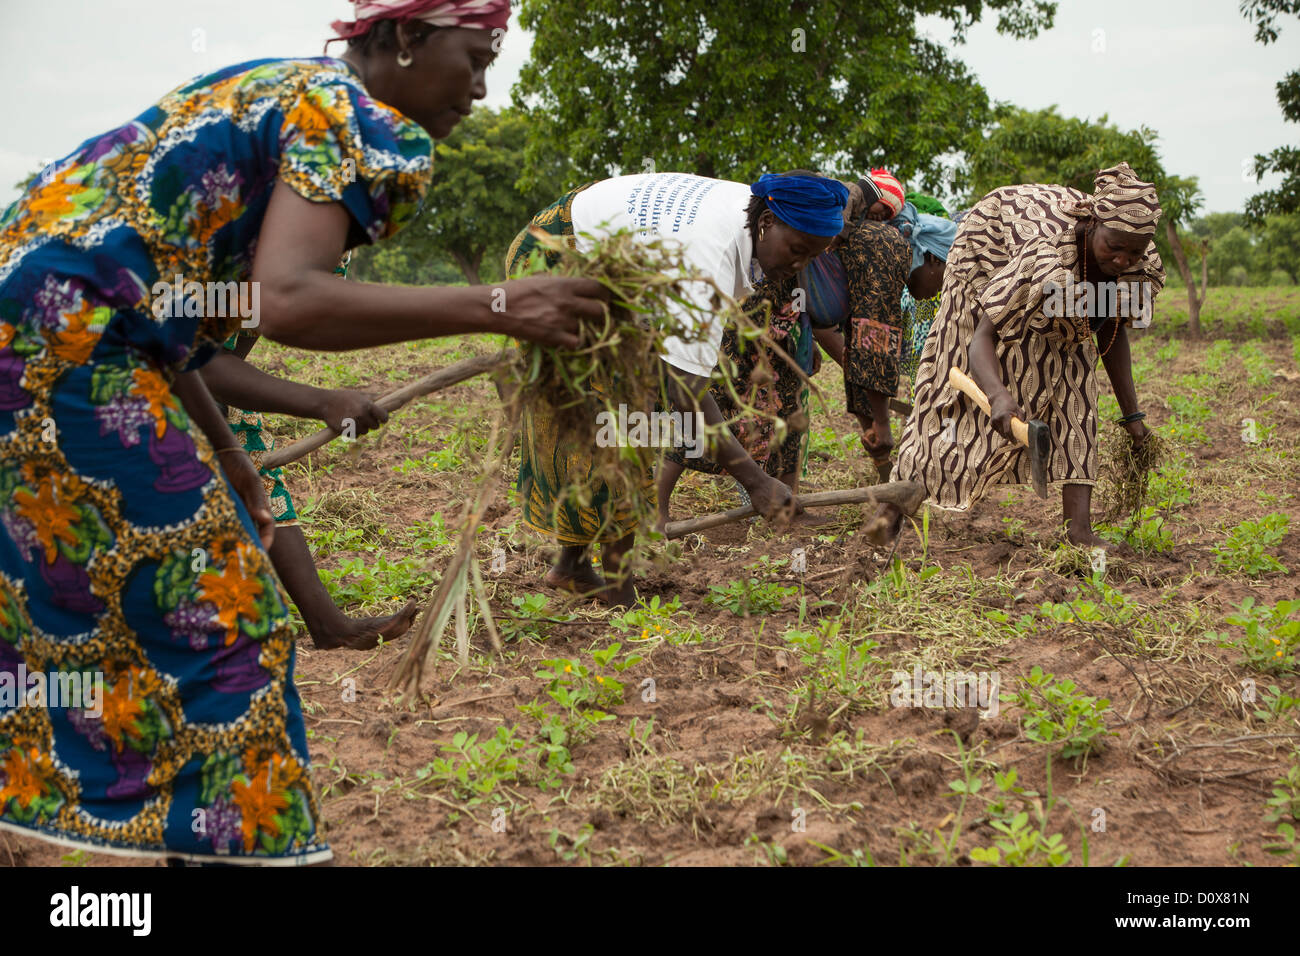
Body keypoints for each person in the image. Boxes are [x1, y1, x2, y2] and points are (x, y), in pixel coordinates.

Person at [0, 0, 607, 865]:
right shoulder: (340, 113)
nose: (479, 89)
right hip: (65, 347)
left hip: (45, 336)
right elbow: (288, 299)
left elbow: (176, 325)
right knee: (225, 622)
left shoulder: (280, 92)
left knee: (96, 612)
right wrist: (504, 305)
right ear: (404, 39)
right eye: (473, 60)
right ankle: (241, 846)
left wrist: (230, 457)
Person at [507, 172, 847, 604]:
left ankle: (574, 567)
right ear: (765, 225)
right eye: (797, 250)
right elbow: (683, 391)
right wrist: (756, 481)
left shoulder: (757, 215)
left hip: (613, 269)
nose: (800, 264)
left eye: (813, 257)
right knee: (624, 419)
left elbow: (679, 373)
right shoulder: (712, 253)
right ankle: (616, 587)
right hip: (556, 258)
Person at [887, 163, 1164, 546]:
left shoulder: (1136, 270)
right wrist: (998, 394)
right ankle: (891, 510)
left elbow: (1111, 333)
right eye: (1113, 247)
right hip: (989, 257)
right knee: (948, 396)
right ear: (1094, 224)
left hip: (1060, 291)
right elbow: (982, 336)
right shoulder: (1046, 255)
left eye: (1132, 252)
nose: (1121, 260)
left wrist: (1132, 417)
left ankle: (1079, 532)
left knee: (1076, 379)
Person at [806, 199, 956, 482]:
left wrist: (873, 426)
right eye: (945, 279)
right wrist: (883, 422)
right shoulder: (891, 248)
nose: (941, 290)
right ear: (934, 259)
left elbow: (848, 342)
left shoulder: (879, 247)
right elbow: (873, 337)